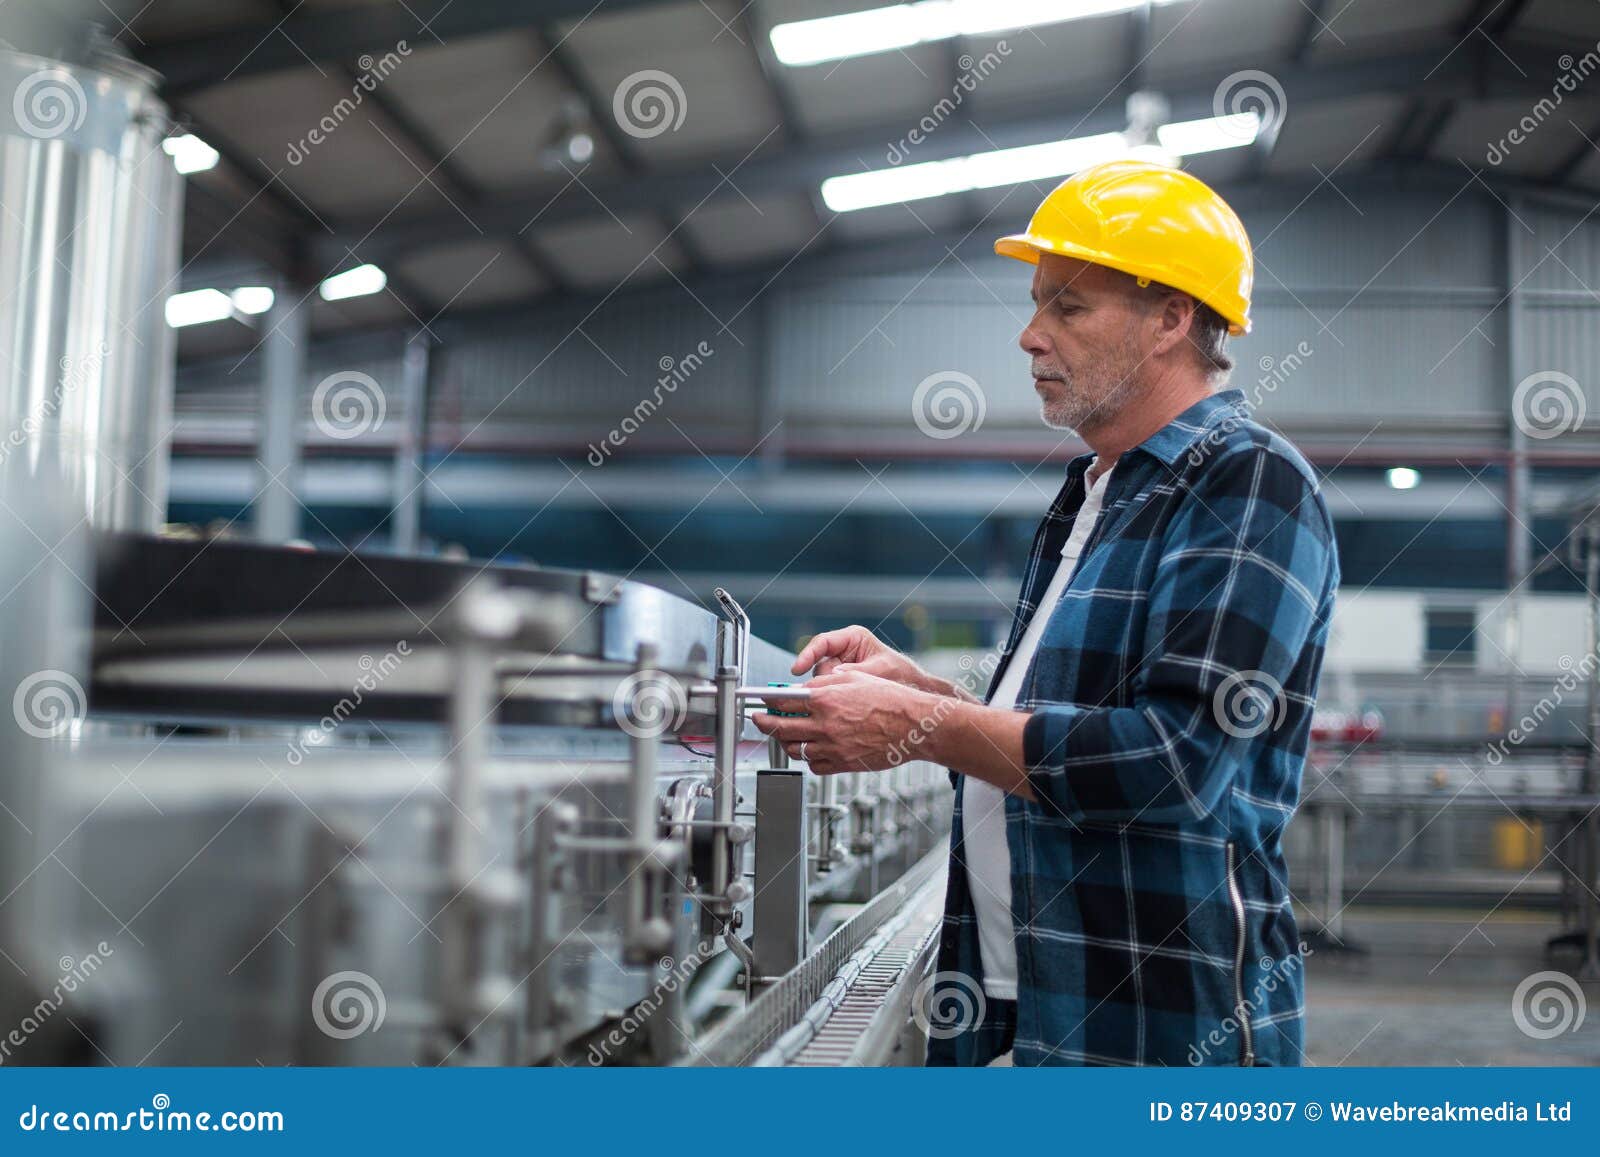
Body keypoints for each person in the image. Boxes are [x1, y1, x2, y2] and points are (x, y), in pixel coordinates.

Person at [754, 159, 1340, 1066]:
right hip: (1016, 999)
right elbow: (1062, 732)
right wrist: (926, 692)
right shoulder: (1093, 494)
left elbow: (1175, 765)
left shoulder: (1245, 480)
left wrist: (925, 725)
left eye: (1068, 308)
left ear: (1171, 319)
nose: (1030, 337)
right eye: (1035, 305)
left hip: (1155, 1023)